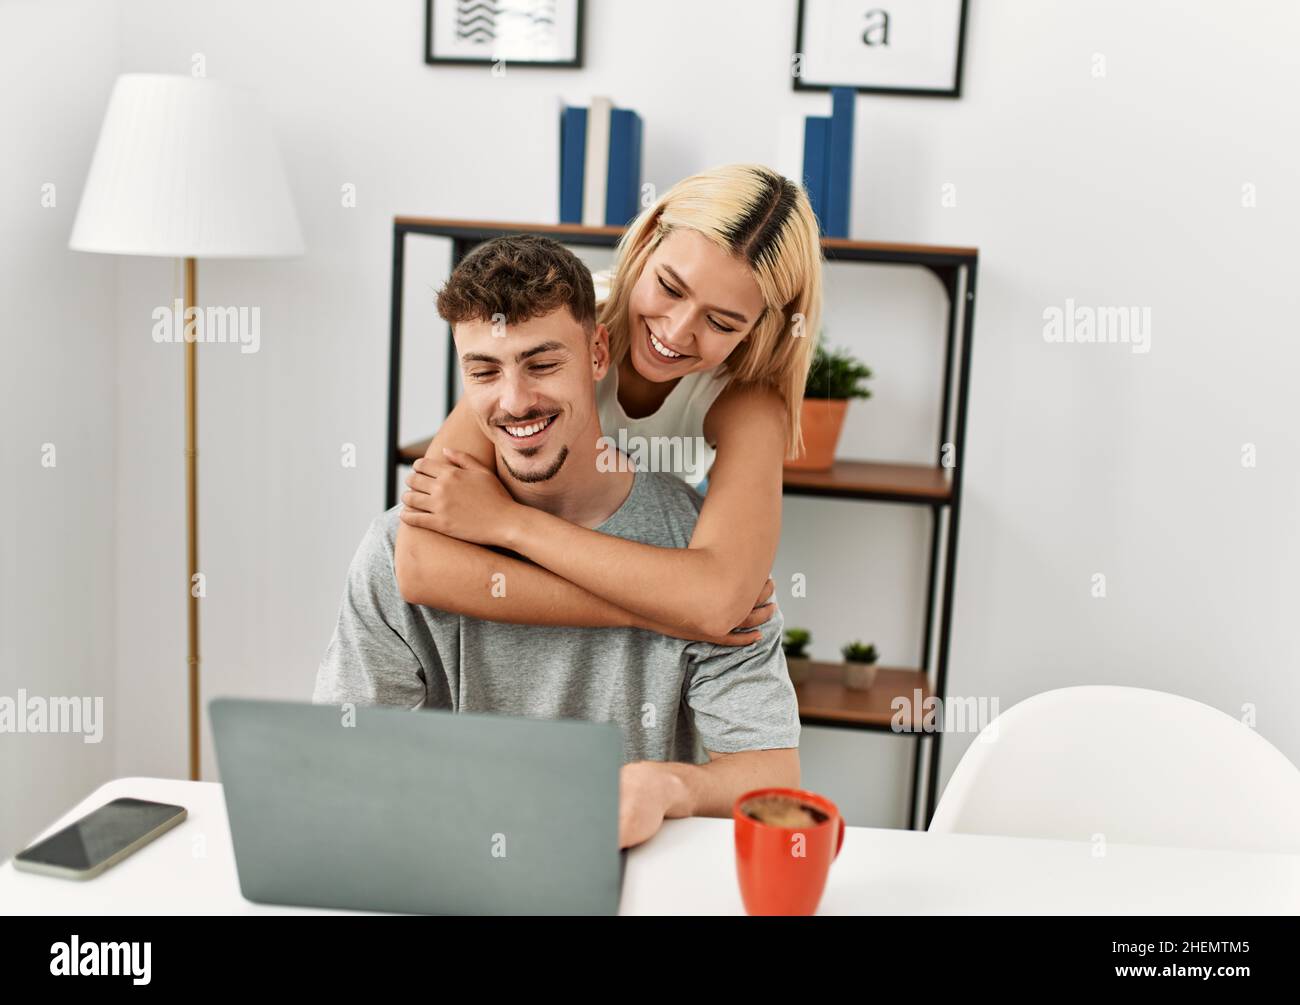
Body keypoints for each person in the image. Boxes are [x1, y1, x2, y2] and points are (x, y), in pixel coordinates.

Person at [315, 235, 800, 849]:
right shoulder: (399, 546)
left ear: (598, 352)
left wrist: (670, 788)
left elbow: (773, 782)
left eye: (543, 364)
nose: (515, 401)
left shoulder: (703, 559)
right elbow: (345, 752)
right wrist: (662, 609)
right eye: (484, 371)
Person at [395, 164, 823, 646]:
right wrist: (662, 614)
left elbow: (717, 601)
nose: (676, 332)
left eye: (722, 323)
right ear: (646, 244)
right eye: (670, 287)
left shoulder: (748, 400)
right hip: (601, 599)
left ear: (759, 327)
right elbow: (417, 565)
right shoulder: (562, 325)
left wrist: (508, 522)